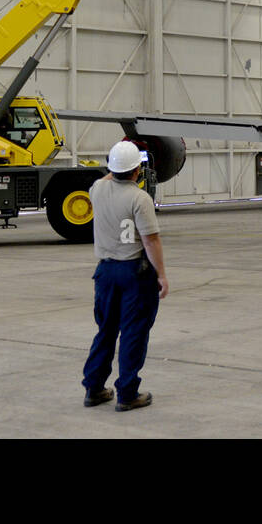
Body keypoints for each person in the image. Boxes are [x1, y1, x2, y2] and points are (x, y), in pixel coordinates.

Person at [81, 141, 169, 411]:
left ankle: (94, 388)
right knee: (133, 332)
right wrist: (162, 275)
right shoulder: (140, 198)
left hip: (105, 272)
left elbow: (109, 176)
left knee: (106, 331)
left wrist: (117, 164)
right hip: (134, 273)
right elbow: (151, 240)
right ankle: (128, 393)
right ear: (138, 170)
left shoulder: (97, 190)